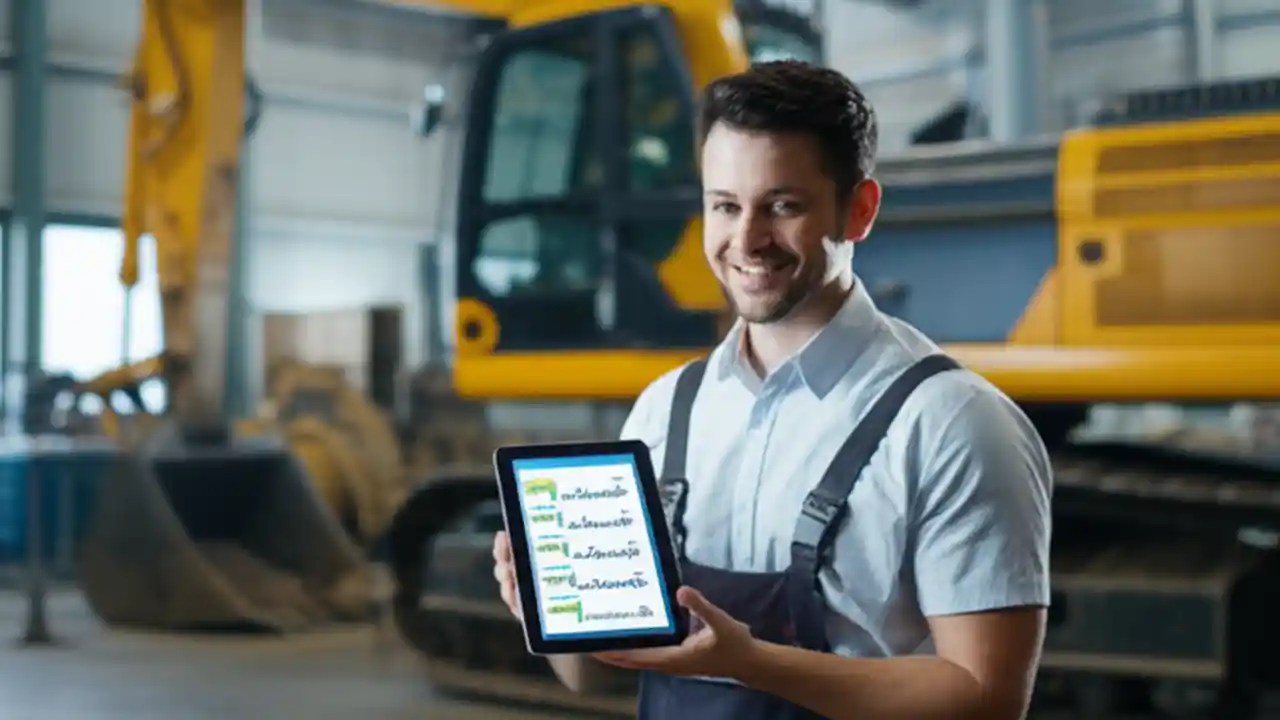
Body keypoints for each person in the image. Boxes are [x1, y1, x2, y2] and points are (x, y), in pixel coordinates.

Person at [492, 59, 1053, 720]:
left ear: (860, 210)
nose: (748, 240)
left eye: (782, 206)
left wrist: (747, 661)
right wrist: (550, 608)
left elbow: (985, 700)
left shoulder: (954, 424)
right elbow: (592, 678)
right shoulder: (665, 412)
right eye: (725, 206)